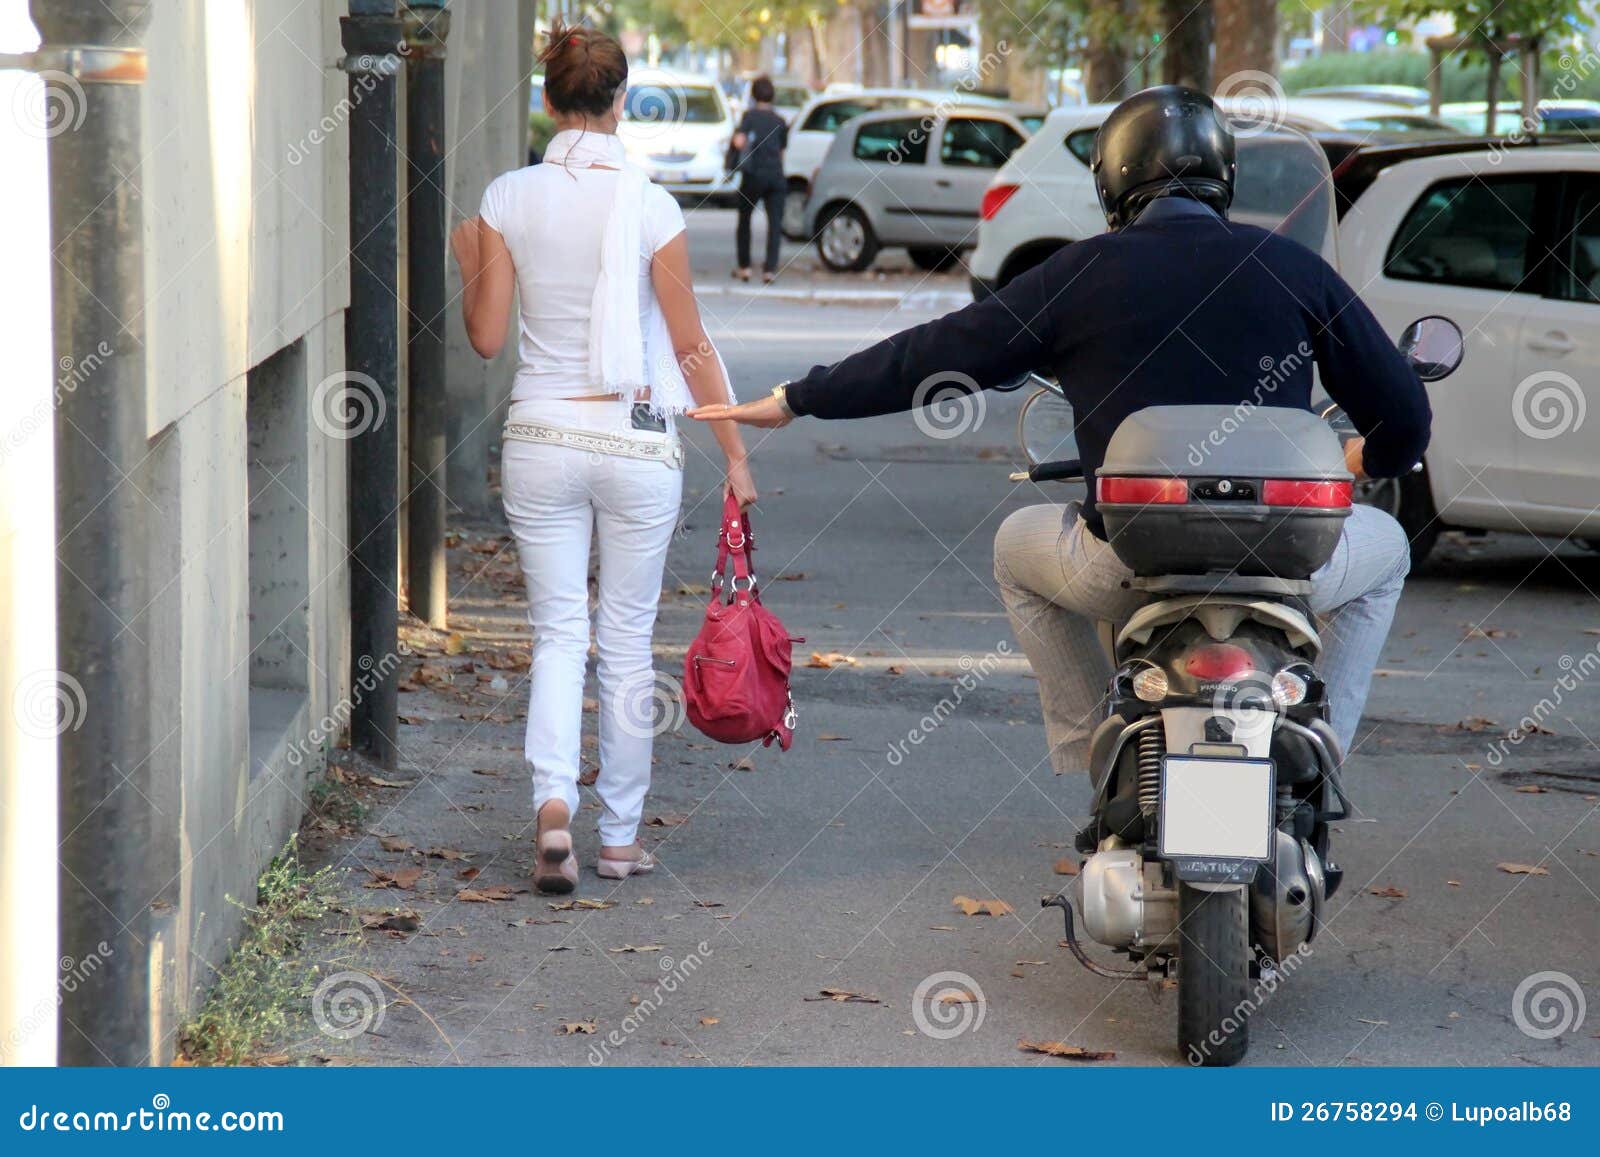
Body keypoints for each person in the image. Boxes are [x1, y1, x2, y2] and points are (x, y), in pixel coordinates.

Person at [691, 85, 1430, 775]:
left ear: (1111, 183)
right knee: (1389, 547)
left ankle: (1097, 752)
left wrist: (799, 398)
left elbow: (931, 355)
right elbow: (1407, 418)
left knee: (1017, 550)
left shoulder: (1078, 274)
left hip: (1131, 566)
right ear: (1224, 175)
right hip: (1289, 564)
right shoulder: (1293, 267)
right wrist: (1364, 454)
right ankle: (1315, 744)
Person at [451, 21, 756, 893]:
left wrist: (470, 259)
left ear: (548, 102)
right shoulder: (653, 207)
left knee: (558, 633)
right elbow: (692, 346)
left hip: (542, 434)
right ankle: (618, 837)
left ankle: (554, 807)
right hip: (636, 441)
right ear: (621, 100)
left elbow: (484, 339)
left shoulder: (507, 197)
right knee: (626, 644)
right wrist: (734, 450)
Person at [731, 75, 788, 284]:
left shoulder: (749, 117)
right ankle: (769, 270)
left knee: (745, 219)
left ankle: (745, 267)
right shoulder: (780, 120)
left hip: (753, 175)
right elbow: (782, 151)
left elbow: (739, 141)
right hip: (775, 175)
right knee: (775, 224)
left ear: (754, 95)